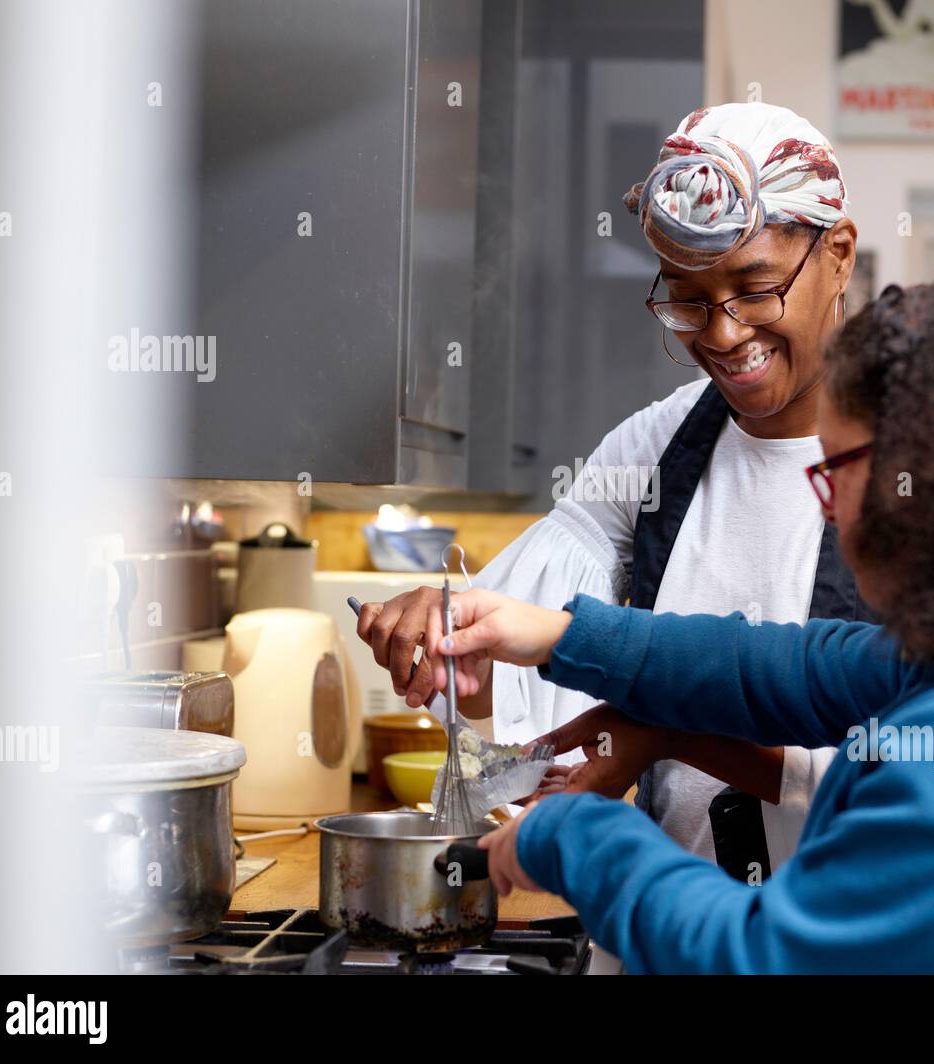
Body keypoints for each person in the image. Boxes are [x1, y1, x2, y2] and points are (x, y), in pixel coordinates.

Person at [424, 246, 934, 974]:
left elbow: (758, 957)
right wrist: (558, 635)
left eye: (834, 473)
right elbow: (793, 666)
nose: (825, 511)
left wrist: (572, 837)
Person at [358, 102, 874, 875]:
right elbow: (543, 651)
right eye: (688, 299)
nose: (723, 334)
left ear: (838, 253)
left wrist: (657, 729)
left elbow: (902, 776)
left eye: (755, 288)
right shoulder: (661, 446)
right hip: (676, 920)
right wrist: (463, 653)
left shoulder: (917, 470)